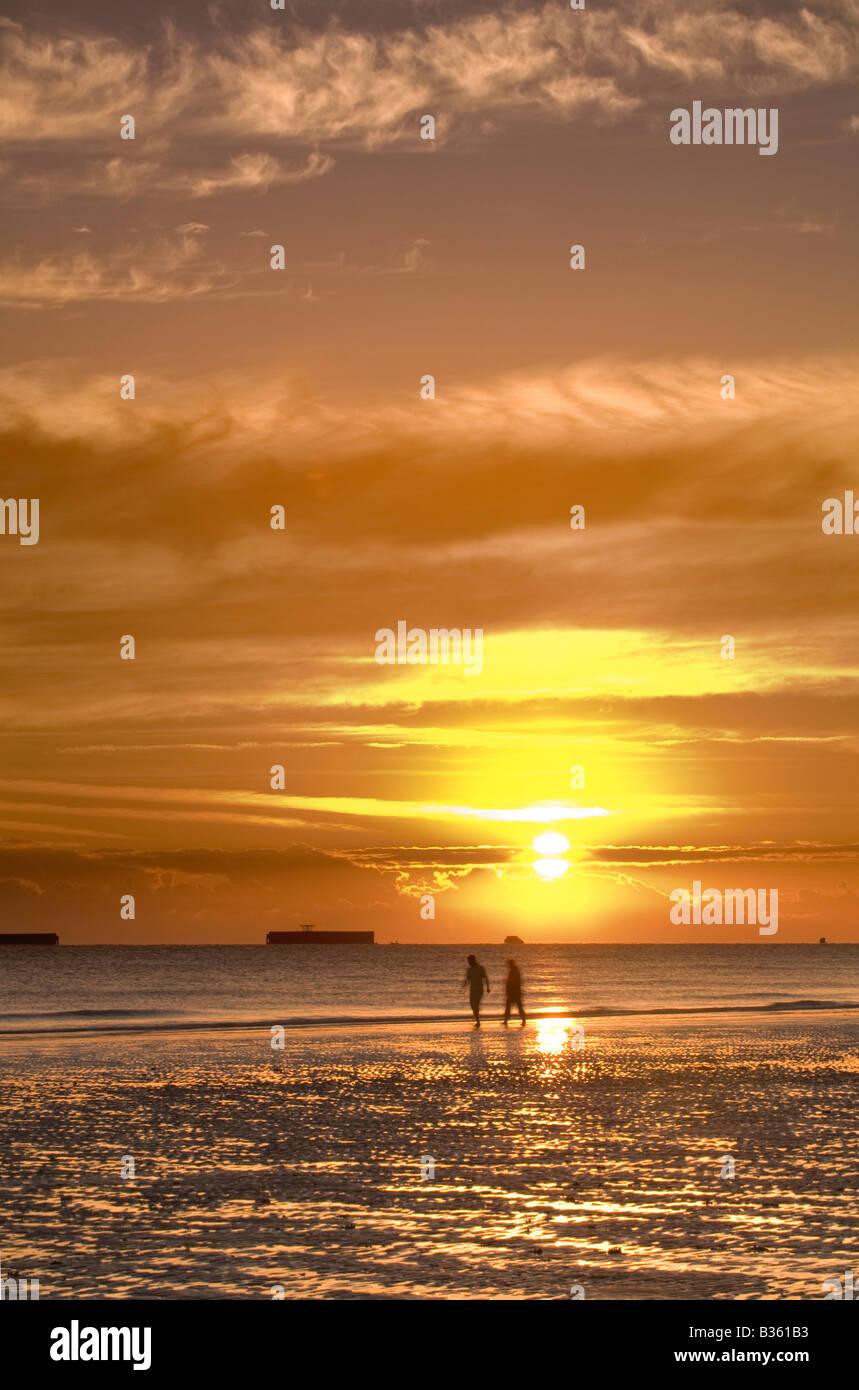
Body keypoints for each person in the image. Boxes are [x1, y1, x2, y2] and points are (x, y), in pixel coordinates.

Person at [463, 954, 489, 1027]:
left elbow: (485, 978)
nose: (469, 962)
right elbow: (467, 978)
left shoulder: (480, 968)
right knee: (472, 1006)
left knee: (475, 1005)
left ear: (473, 960)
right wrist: (464, 986)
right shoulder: (469, 969)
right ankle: (477, 1019)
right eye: (468, 961)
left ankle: (478, 1022)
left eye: (470, 961)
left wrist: (488, 987)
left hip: (479, 990)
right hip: (472, 990)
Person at [503, 958, 526, 1026]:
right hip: (513, 992)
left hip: (514, 992)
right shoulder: (513, 971)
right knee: (511, 1006)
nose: (508, 966)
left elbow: (514, 982)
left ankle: (523, 1020)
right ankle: (506, 1020)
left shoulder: (515, 971)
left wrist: (509, 990)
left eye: (509, 964)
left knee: (515, 1006)